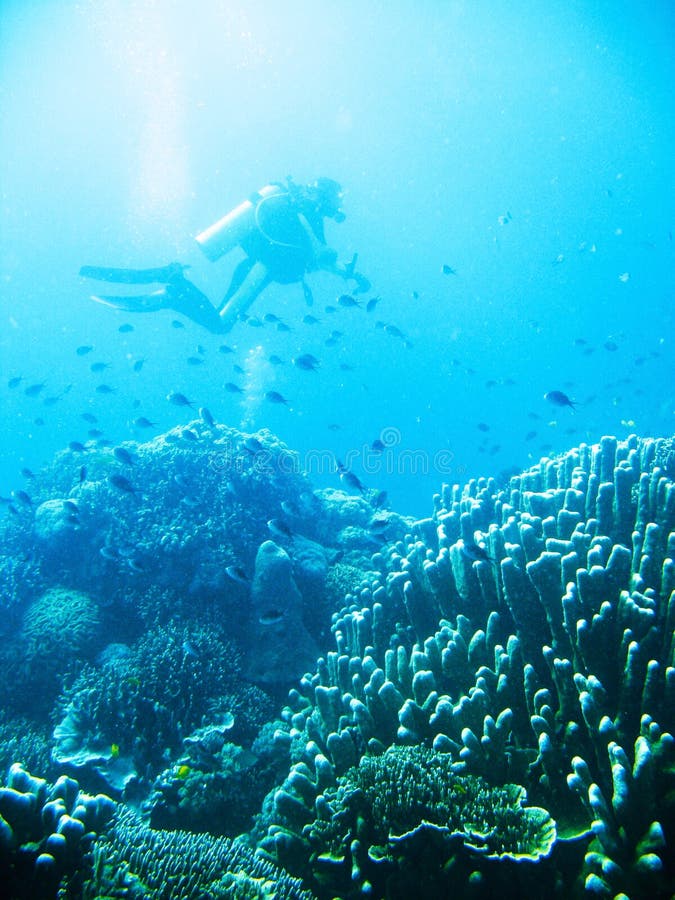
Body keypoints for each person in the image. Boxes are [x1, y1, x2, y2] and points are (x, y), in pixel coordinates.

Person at [80, 177, 369, 334]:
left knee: (220, 321)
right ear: (327, 197)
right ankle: (172, 288)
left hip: (257, 265)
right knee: (221, 324)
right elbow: (321, 256)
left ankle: (172, 291)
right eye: (337, 199)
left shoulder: (300, 207)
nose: (338, 206)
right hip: (261, 268)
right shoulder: (308, 213)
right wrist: (350, 273)